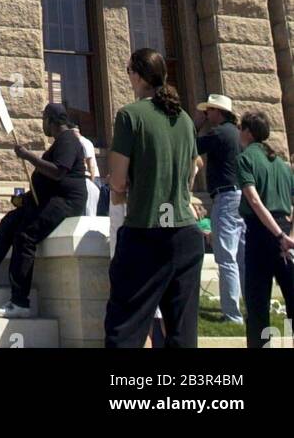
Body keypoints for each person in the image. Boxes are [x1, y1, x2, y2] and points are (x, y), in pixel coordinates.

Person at [104, 48, 205, 349]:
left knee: (125, 328)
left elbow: (119, 181)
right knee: (182, 334)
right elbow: (192, 169)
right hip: (186, 236)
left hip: (146, 232)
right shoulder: (185, 119)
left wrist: (121, 189)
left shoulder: (129, 116)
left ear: (136, 75)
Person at [0, 104, 87, 318]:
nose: (42, 124)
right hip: (49, 199)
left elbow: (57, 172)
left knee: (26, 235)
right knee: (10, 221)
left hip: (66, 202)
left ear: (52, 120)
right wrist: (24, 200)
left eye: (44, 118)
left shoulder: (68, 140)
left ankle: (20, 302)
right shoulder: (60, 142)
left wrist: (28, 156)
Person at [236, 109, 294, 349]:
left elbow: (254, 200)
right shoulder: (281, 164)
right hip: (285, 232)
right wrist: (289, 236)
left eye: (241, 128)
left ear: (248, 132)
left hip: (262, 233)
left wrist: (277, 235)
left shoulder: (246, 159)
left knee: (258, 301)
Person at [195, 92, 245, 325]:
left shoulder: (217, 133)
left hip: (225, 197)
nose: (206, 114)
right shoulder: (237, 134)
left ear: (219, 112)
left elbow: (191, 144)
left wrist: (197, 124)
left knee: (226, 257)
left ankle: (232, 314)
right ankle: (249, 305)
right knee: (242, 257)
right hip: (242, 196)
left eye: (209, 111)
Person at [72, 123, 101, 216]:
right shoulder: (85, 142)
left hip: (91, 178)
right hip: (91, 177)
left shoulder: (82, 143)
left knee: (90, 209)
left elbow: (90, 163)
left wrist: (91, 181)